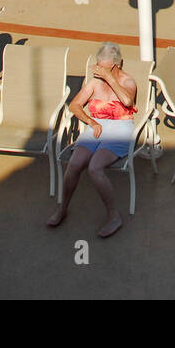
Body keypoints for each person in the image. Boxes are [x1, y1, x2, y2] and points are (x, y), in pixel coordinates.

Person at [47, 42, 137, 238]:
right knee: (74, 163)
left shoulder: (128, 82)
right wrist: (90, 121)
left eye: (102, 67)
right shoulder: (95, 82)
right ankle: (63, 208)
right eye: (97, 66)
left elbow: (128, 101)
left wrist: (110, 79)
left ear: (116, 65)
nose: (97, 71)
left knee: (95, 167)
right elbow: (75, 105)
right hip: (96, 127)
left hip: (119, 130)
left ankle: (114, 216)